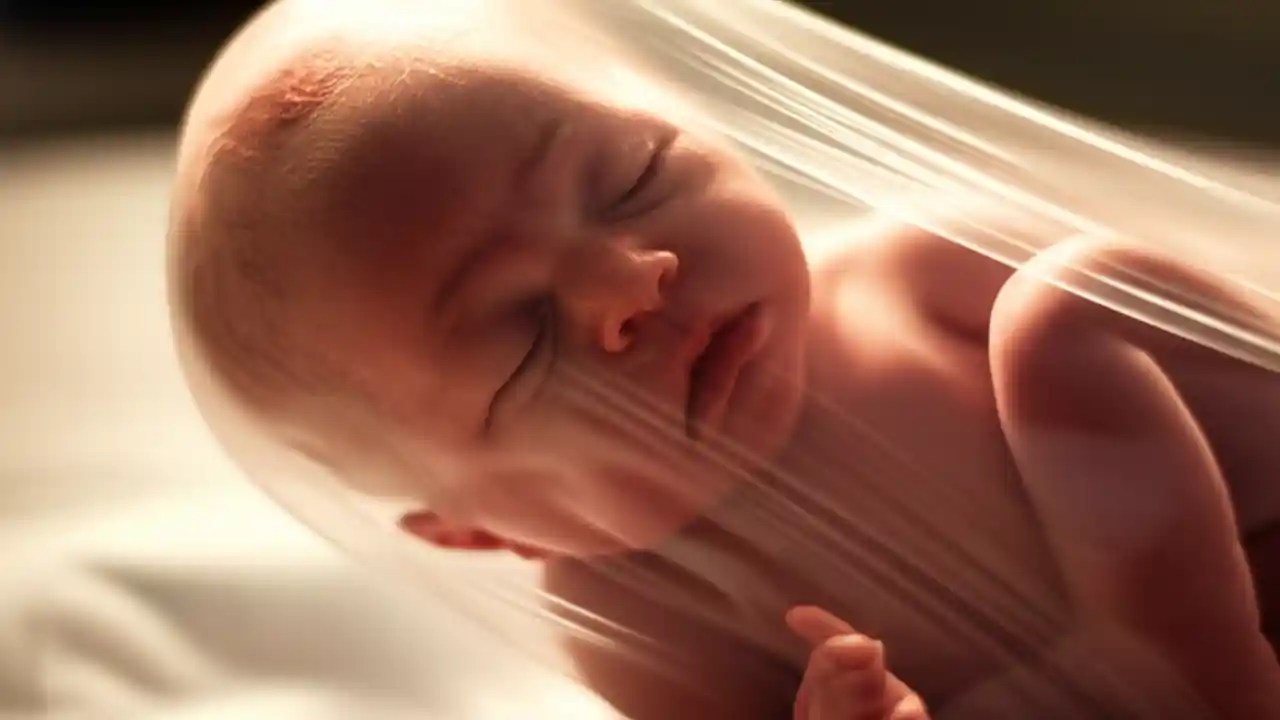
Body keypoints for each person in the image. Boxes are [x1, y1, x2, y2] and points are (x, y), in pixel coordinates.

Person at [168, 1, 1280, 717]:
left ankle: (1175, 652)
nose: (628, 285)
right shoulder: (645, 612)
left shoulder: (911, 272)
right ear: (480, 529)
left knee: (1063, 310)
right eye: (522, 342)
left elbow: (1235, 344)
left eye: (634, 176)